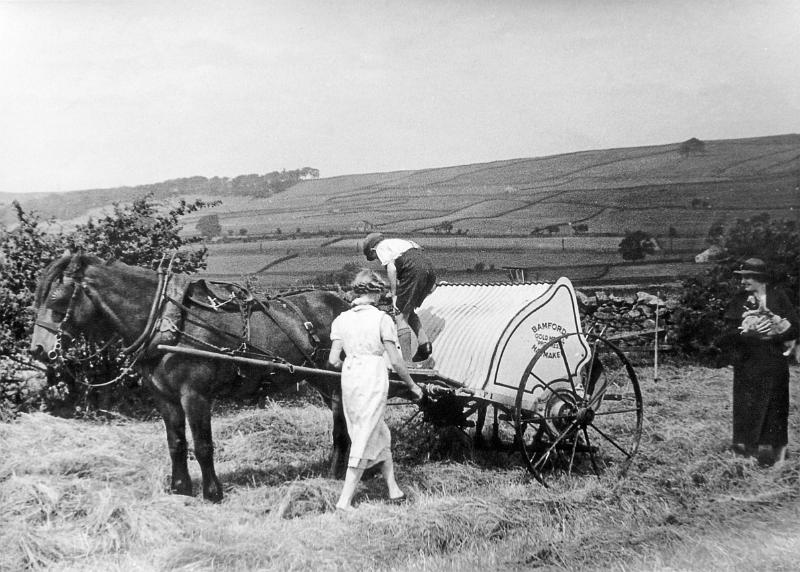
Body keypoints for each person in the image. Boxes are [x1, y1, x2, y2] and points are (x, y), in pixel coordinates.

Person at [328, 269, 424, 511]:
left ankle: (393, 489)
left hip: (350, 376)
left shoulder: (342, 319)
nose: (381, 298)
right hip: (372, 375)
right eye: (380, 293)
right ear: (375, 293)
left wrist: (351, 361)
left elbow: (332, 360)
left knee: (377, 430)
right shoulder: (382, 320)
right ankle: (344, 500)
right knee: (364, 434)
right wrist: (412, 385)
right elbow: (397, 361)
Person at [723, 258, 798, 465]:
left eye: (747, 277)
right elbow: (728, 332)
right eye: (742, 277)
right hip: (747, 362)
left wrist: (773, 334)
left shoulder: (778, 297)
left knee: (776, 406)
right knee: (747, 407)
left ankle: (779, 456)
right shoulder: (739, 300)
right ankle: (749, 455)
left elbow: (795, 327)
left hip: (773, 362)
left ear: (760, 278)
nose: (743, 282)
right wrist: (747, 333)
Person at [360, 232, 436, 362]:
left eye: (374, 257)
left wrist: (394, 294)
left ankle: (407, 363)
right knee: (408, 309)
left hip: (414, 270)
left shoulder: (381, 247)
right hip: (428, 268)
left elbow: (392, 269)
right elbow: (418, 256)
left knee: (399, 314)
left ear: (372, 249)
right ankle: (424, 344)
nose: (378, 260)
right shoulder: (399, 243)